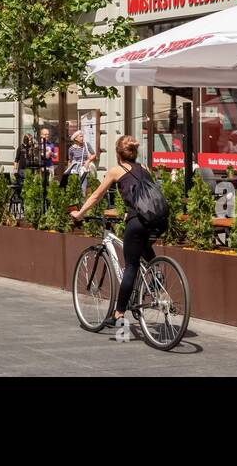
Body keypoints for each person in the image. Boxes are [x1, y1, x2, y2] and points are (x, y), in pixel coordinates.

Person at [70, 135, 165, 329]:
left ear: (118, 153)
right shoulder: (145, 168)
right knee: (143, 246)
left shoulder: (116, 170)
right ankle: (156, 278)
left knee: (131, 266)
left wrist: (79, 214)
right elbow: (146, 196)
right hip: (158, 220)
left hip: (137, 221)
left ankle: (119, 313)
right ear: (135, 153)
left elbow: (96, 195)